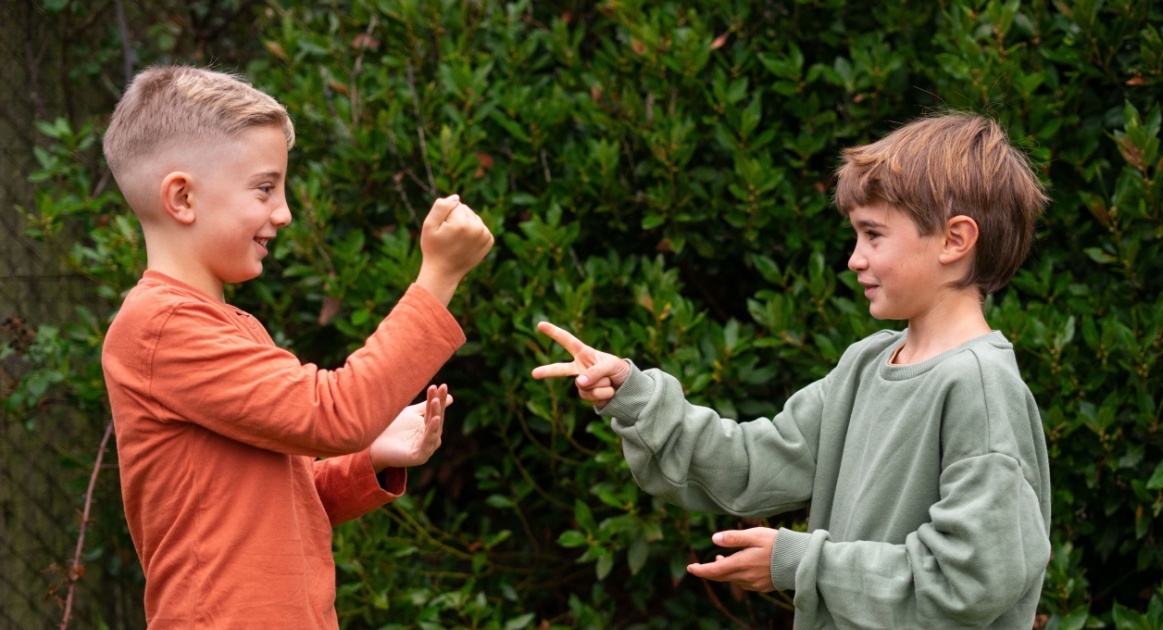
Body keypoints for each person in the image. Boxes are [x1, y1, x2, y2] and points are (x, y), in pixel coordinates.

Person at [533, 113, 1052, 628]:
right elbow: (751, 465)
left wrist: (800, 561)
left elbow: (967, 581)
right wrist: (634, 394)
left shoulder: (980, 390)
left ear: (954, 241)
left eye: (873, 235)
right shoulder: (865, 364)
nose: (854, 259)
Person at [100, 65, 493, 628]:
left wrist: (371, 455)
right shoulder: (161, 329)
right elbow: (337, 413)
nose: (283, 212)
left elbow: (278, 504)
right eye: (264, 189)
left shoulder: (226, 326)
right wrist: (439, 277)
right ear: (182, 197)